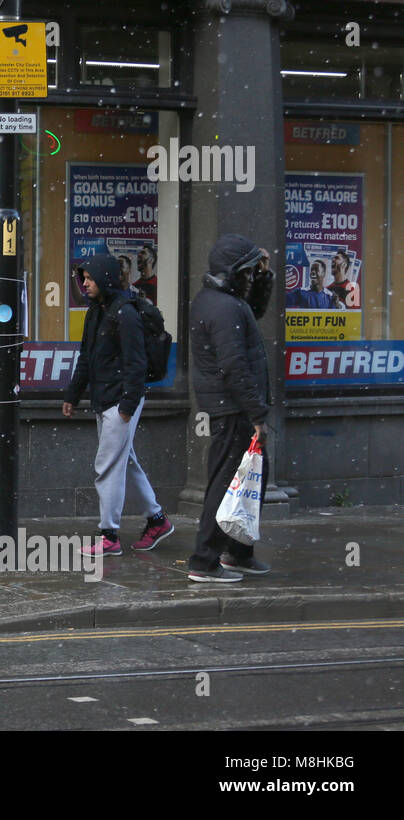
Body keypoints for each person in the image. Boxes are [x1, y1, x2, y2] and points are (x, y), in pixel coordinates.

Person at [62, 256, 172, 556]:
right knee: (125, 462)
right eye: (82, 278)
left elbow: (136, 363)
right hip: (106, 399)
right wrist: (72, 395)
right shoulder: (96, 312)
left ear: (105, 277)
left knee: (107, 466)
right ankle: (157, 520)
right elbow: (85, 358)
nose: (84, 283)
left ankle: (108, 535)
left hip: (119, 402)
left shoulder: (125, 314)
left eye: (89, 278)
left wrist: (127, 405)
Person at [187, 234, 273, 582]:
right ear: (233, 271)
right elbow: (234, 366)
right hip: (233, 410)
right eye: (249, 272)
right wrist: (258, 415)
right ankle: (204, 561)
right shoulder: (223, 308)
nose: (251, 278)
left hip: (231, 408)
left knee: (251, 479)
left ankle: (237, 552)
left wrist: (265, 275)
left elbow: (255, 310)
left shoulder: (223, 301)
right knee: (227, 484)